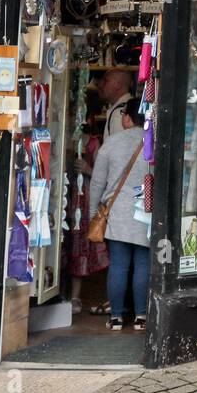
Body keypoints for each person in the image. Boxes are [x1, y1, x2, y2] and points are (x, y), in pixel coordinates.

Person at [88, 101, 150, 331]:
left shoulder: (111, 144)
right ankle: (141, 317)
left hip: (116, 213)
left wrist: (93, 213)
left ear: (127, 118)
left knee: (119, 265)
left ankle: (116, 317)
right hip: (144, 210)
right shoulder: (153, 143)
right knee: (143, 263)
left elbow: (97, 183)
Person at [68, 94, 109, 316]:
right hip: (64, 196)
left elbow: (103, 177)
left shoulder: (93, 143)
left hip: (81, 200)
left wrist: (87, 170)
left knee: (79, 244)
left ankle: (75, 295)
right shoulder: (64, 134)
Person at [97, 69, 134, 139]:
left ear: (117, 85)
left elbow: (120, 148)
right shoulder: (129, 107)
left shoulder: (119, 114)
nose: (101, 85)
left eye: (105, 81)